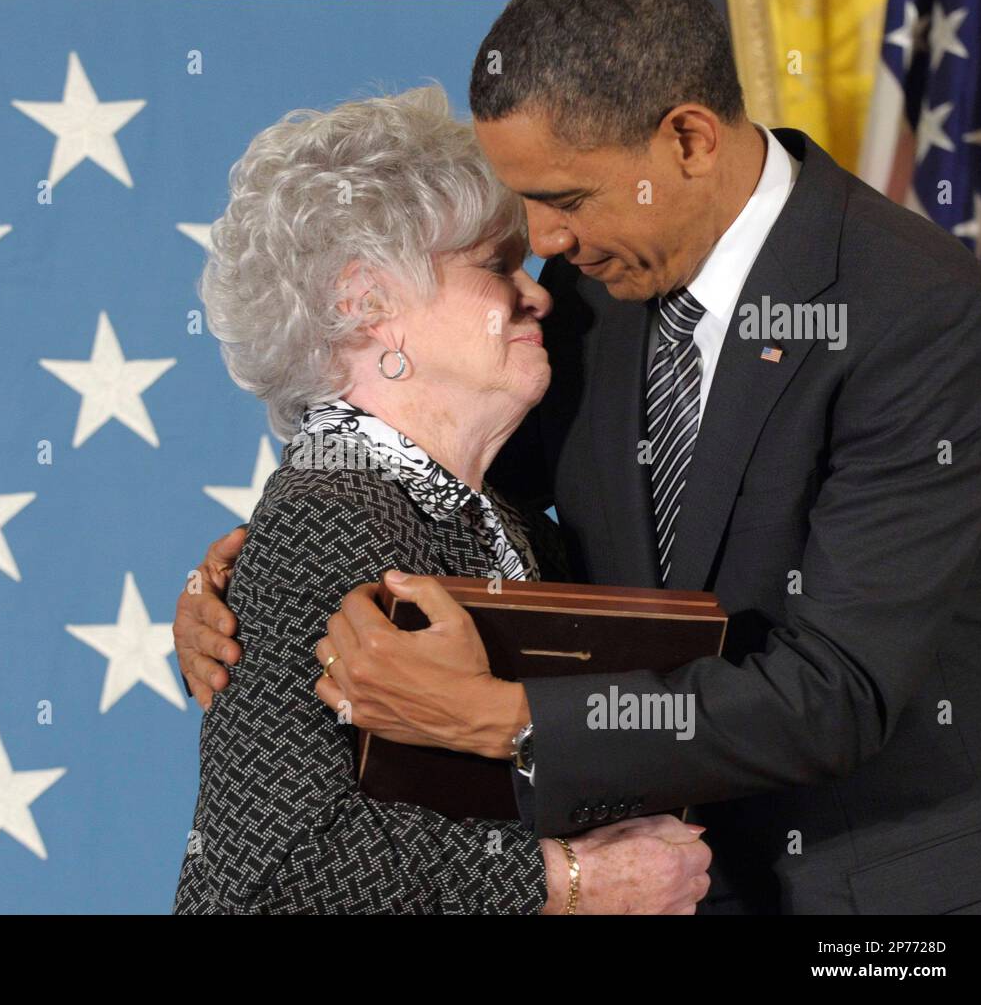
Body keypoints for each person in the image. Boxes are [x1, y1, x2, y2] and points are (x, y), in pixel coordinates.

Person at [175, 0, 981, 914]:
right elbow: (447, 497)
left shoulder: (916, 311)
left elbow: (835, 689)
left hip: (872, 902)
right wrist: (239, 595)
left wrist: (507, 722)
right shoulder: (596, 282)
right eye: (523, 206)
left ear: (688, 140)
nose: (543, 247)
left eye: (564, 200)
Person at [173, 84, 711, 914]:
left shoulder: (502, 522)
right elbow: (269, 873)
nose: (537, 293)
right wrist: (575, 881)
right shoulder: (322, 524)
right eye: (495, 266)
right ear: (369, 307)